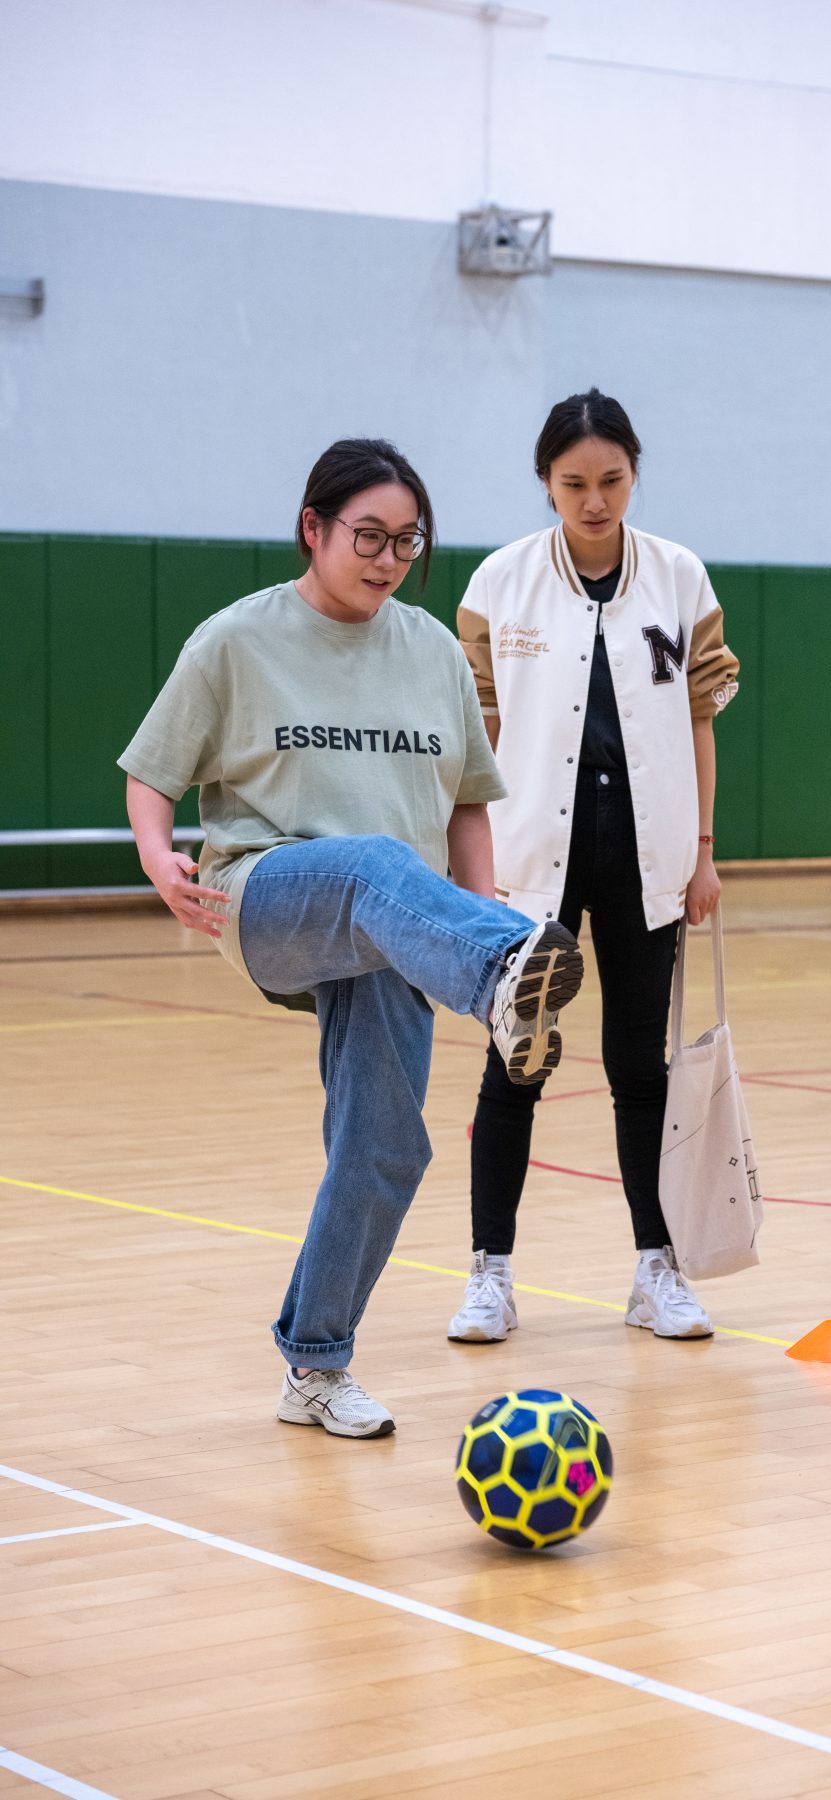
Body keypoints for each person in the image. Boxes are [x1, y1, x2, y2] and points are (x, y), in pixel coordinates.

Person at [119, 438, 584, 1438]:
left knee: (385, 1146)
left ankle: (315, 1364)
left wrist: (475, 905)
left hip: (395, 930)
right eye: (368, 536)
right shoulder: (236, 641)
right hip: (268, 896)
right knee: (373, 862)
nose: (387, 558)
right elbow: (152, 772)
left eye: (406, 542)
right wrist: (160, 857)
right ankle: (503, 969)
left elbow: (466, 804)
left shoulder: (429, 650)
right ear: (313, 530)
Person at [449, 388, 740, 1342]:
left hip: (647, 855)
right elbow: (478, 731)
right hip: (531, 858)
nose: (594, 500)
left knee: (638, 1068)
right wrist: (473, 864)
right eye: (573, 483)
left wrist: (701, 851)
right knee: (515, 1057)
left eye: (611, 480)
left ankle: (657, 1269)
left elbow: (699, 718)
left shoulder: (680, 577)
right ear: (545, 483)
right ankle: (490, 1272)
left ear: (634, 474)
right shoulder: (499, 583)